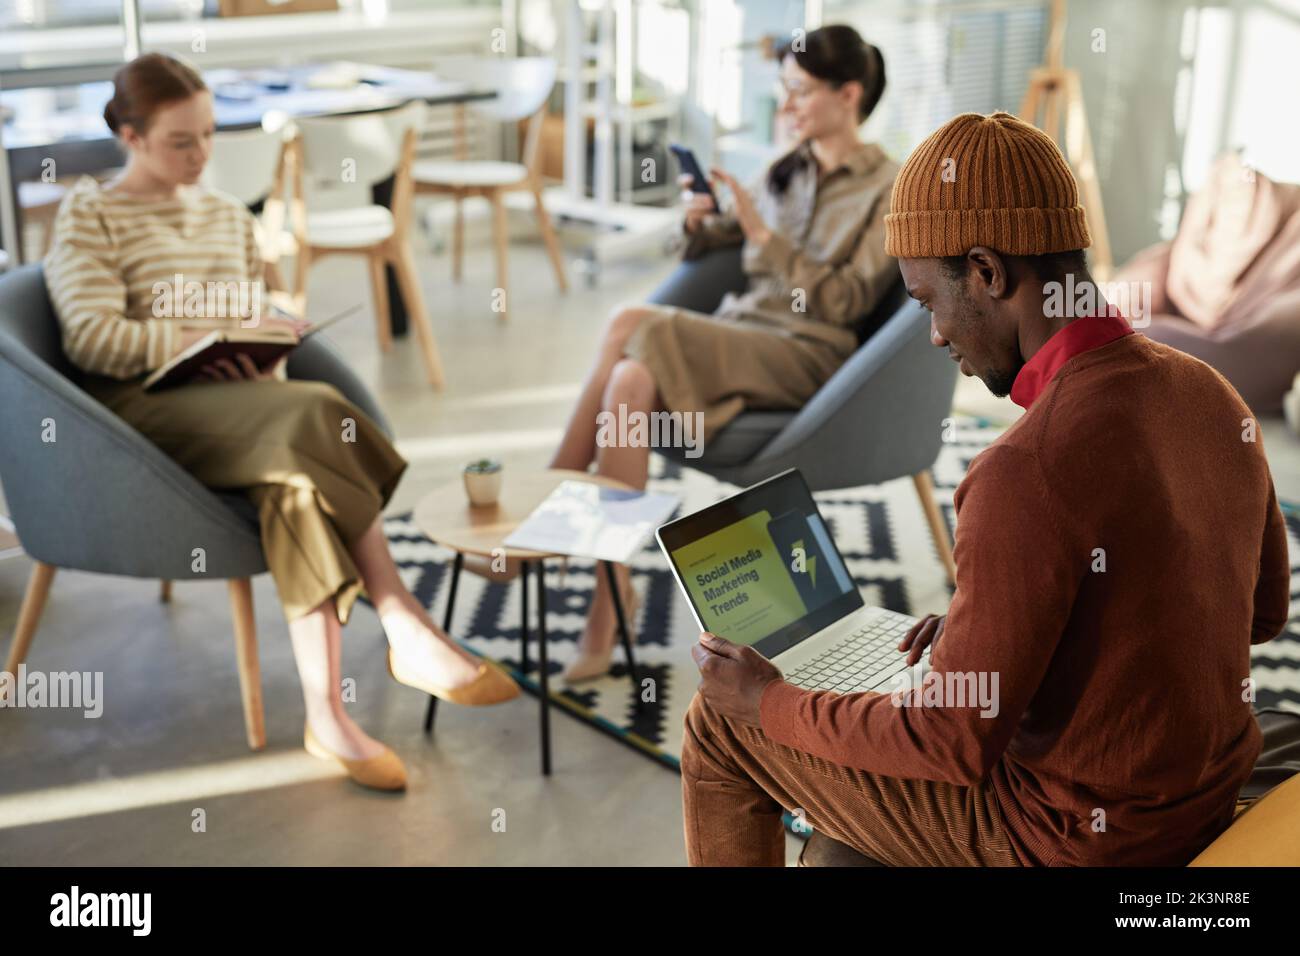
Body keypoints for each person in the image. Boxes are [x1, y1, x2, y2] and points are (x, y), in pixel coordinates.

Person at [679, 111, 1290, 866]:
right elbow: (1260, 614)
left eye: (930, 299)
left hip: (1069, 840)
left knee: (721, 722)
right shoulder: (1212, 395)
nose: (936, 335)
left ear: (989, 272)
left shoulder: (1022, 469)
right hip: (1200, 794)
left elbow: (950, 744)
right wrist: (1008, 623)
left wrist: (766, 700)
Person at [42, 52, 519, 792]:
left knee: (294, 485)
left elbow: (251, 320)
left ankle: (328, 717)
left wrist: (258, 360)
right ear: (129, 136)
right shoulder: (91, 212)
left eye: (207, 135)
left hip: (235, 408)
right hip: (135, 422)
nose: (201, 155)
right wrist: (186, 341)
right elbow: (92, 339)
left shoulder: (229, 216)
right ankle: (400, 618)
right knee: (318, 417)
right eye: (180, 141)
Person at [550, 24, 900, 681]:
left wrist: (763, 232)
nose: (788, 104)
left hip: (809, 354)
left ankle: (555, 492)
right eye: (784, 90)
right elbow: (723, 249)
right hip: (743, 334)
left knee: (630, 321)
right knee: (627, 382)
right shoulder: (786, 166)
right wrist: (704, 222)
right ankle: (608, 595)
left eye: (799, 90)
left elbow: (848, 302)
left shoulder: (888, 188)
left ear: (848, 94)